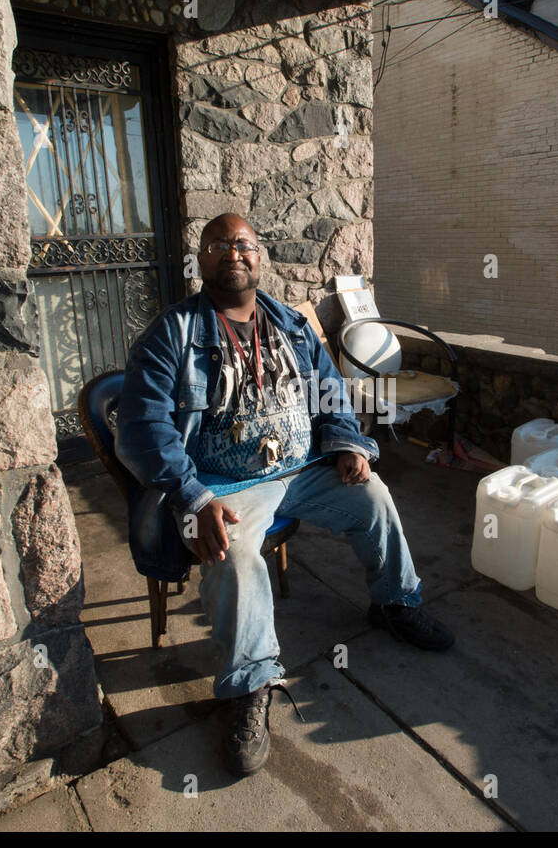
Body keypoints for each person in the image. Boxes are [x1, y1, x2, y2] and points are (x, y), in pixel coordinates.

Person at [116, 213, 453, 776]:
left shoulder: (292, 326)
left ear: (260, 256)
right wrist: (194, 497)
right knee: (236, 552)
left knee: (374, 495)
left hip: (301, 469)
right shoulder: (171, 333)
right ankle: (250, 685)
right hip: (223, 486)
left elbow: (330, 392)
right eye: (219, 245)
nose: (234, 253)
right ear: (200, 261)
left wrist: (347, 443)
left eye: (244, 244)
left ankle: (396, 602)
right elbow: (142, 427)